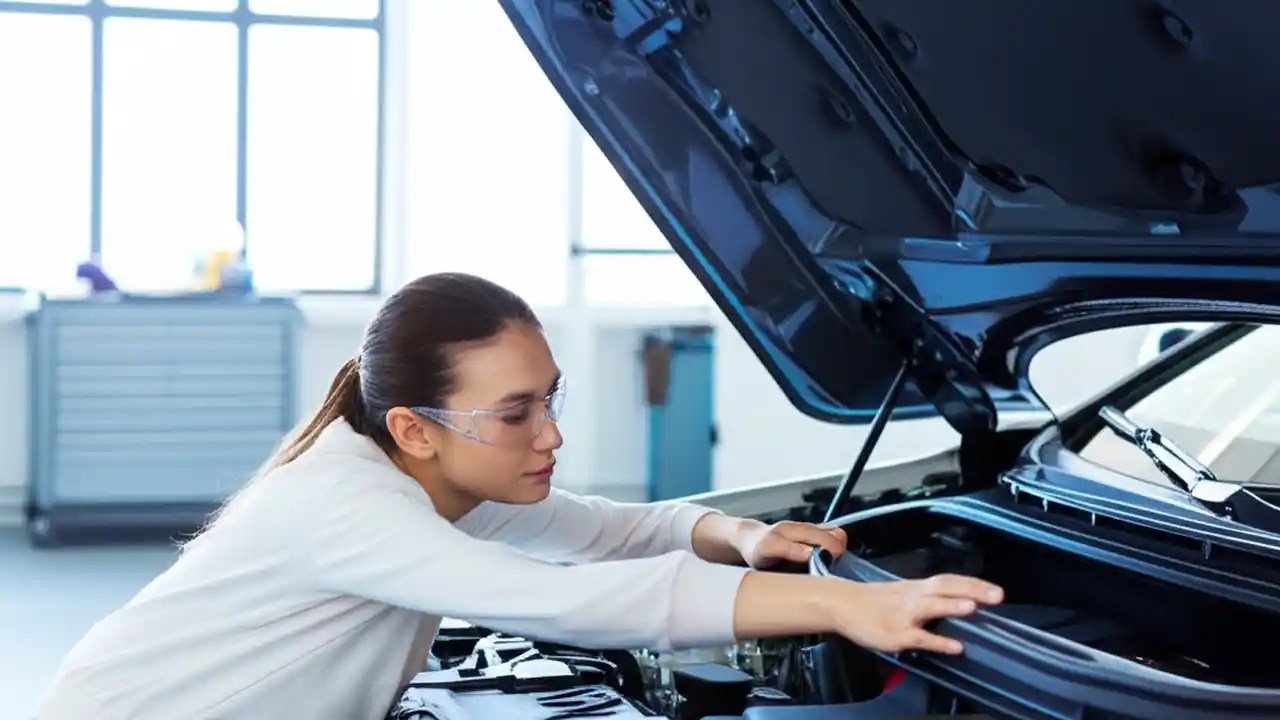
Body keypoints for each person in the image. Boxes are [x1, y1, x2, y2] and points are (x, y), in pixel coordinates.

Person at [37, 273, 1004, 719]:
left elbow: (615, 533)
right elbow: (573, 599)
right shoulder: (345, 508)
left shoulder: (425, 474)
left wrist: (744, 536)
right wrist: (846, 602)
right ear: (417, 427)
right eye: (515, 414)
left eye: (551, 400)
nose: (551, 435)